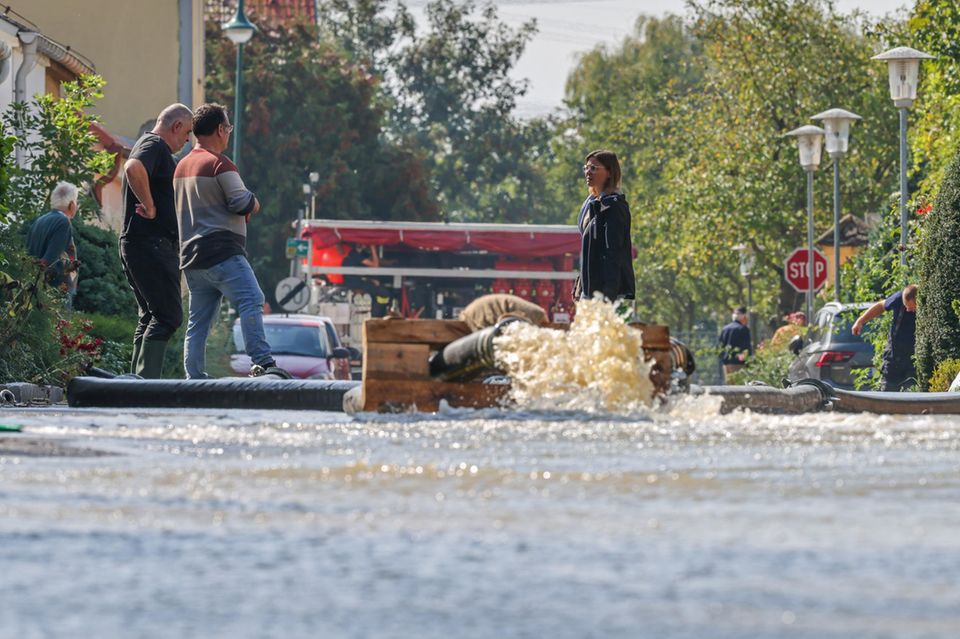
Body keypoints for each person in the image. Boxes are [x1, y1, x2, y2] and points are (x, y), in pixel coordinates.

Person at [173, 103, 289, 379]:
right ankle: (262, 362)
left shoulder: (181, 167)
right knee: (252, 298)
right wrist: (255, 202)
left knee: (198, 321)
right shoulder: (218, 164)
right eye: (228, 128)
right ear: (220, 130)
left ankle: (194, 376)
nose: (228, 133)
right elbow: (241, 202)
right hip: (222, 252)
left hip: (191, 257)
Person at [120, 103, 193, 378]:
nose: (186, 140)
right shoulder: (154, 146)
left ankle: (135, 383)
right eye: (186, 133)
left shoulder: (152, 147)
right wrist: (149, 206)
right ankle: (146, 385)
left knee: (151, 316)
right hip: (150, 243)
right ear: (176, 127)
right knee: (168, 316)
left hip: (141, 243)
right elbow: (133, 166)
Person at [574, 149, 635, 303]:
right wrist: (582, 280)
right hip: (591, 290)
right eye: (586, 168)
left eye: (594, 168)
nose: (588, 172)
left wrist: (608, 297)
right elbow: (592, 250)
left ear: (609, 172)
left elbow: (612, 253)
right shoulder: (591, 202)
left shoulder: (613, 206)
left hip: (607, 292)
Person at [852, 284, 917, 391]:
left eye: (912, 308)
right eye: (906, 307)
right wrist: (860, 321)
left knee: (911, 394)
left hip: (913, 360)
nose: (908, 311)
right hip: (894, 358)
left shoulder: (927, 302)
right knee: (888, 391)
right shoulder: (898, 299)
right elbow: (881, 306)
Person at [26, 181, 80, 308]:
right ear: (72, 204)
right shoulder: (63, 222)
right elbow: (52, 257)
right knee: (58, 327)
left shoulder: (40, 220)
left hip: (34, 286)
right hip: (55, 290)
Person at [341, 243, 392, 317]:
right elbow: (375, 265)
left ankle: (377, 312)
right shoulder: (354, 254)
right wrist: (373, 248)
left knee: (378, 289)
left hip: (359, 280)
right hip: (354, 283)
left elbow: (376, 260)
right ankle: (376, 316)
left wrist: (390, 262)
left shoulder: (361, 253)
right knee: (384, 293)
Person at [718, 306, 752, 382]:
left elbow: (720, 347)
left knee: (730, 388)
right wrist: (748, 362)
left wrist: (723, 359)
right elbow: (746, 348)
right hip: (739, 363)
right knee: (739, 388)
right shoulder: (743, 329)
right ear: (743, 316)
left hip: (726, 363)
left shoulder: (725, 329)